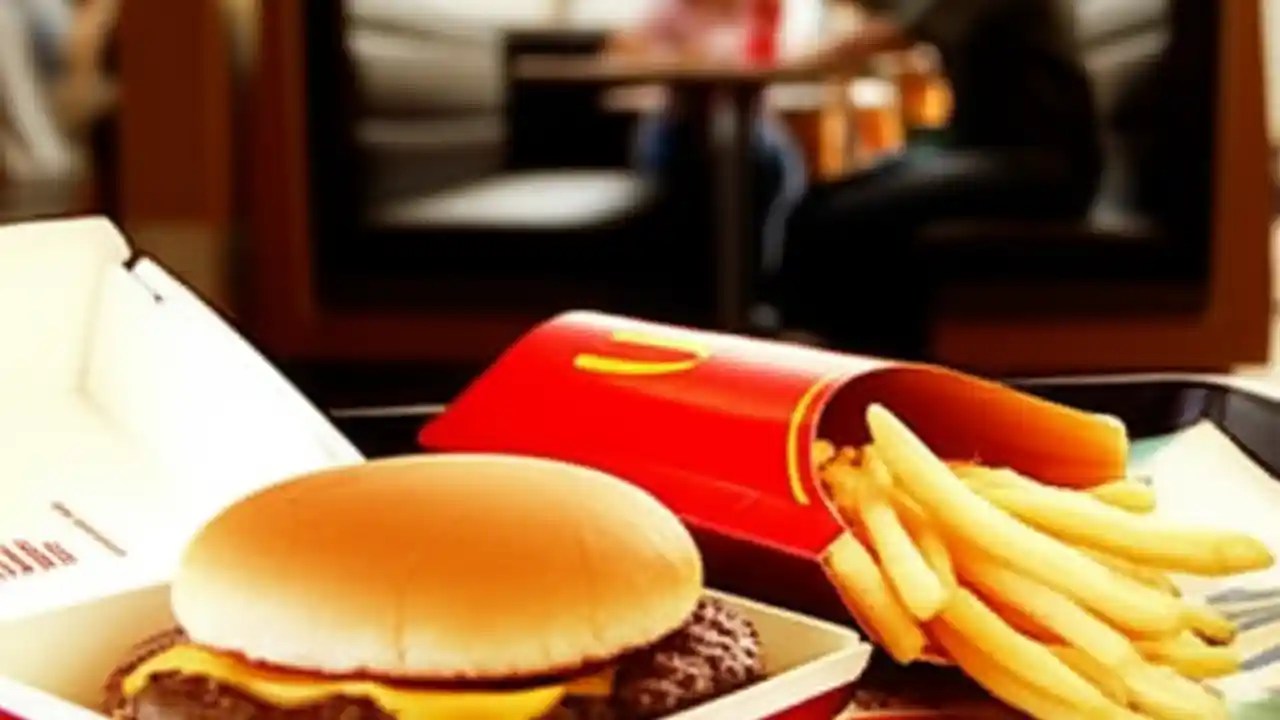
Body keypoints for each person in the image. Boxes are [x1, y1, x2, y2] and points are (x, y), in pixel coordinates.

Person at [776, 0, 1102, 357]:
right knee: (824, 201)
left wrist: (776, 67)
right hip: (1003, 156)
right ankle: (833, 345)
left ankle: (855, 354)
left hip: (1038, 167)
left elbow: (880, 37)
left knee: (841, 217)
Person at [608, 0, 808, 311]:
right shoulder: (671, 10)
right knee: (679, 167)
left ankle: (754, 292)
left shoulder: (759, 8)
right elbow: (623, 52)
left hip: (751, 124)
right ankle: (691, 295)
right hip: (679, 121)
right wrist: (676, 59)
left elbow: (777, 58)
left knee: (770, 164)